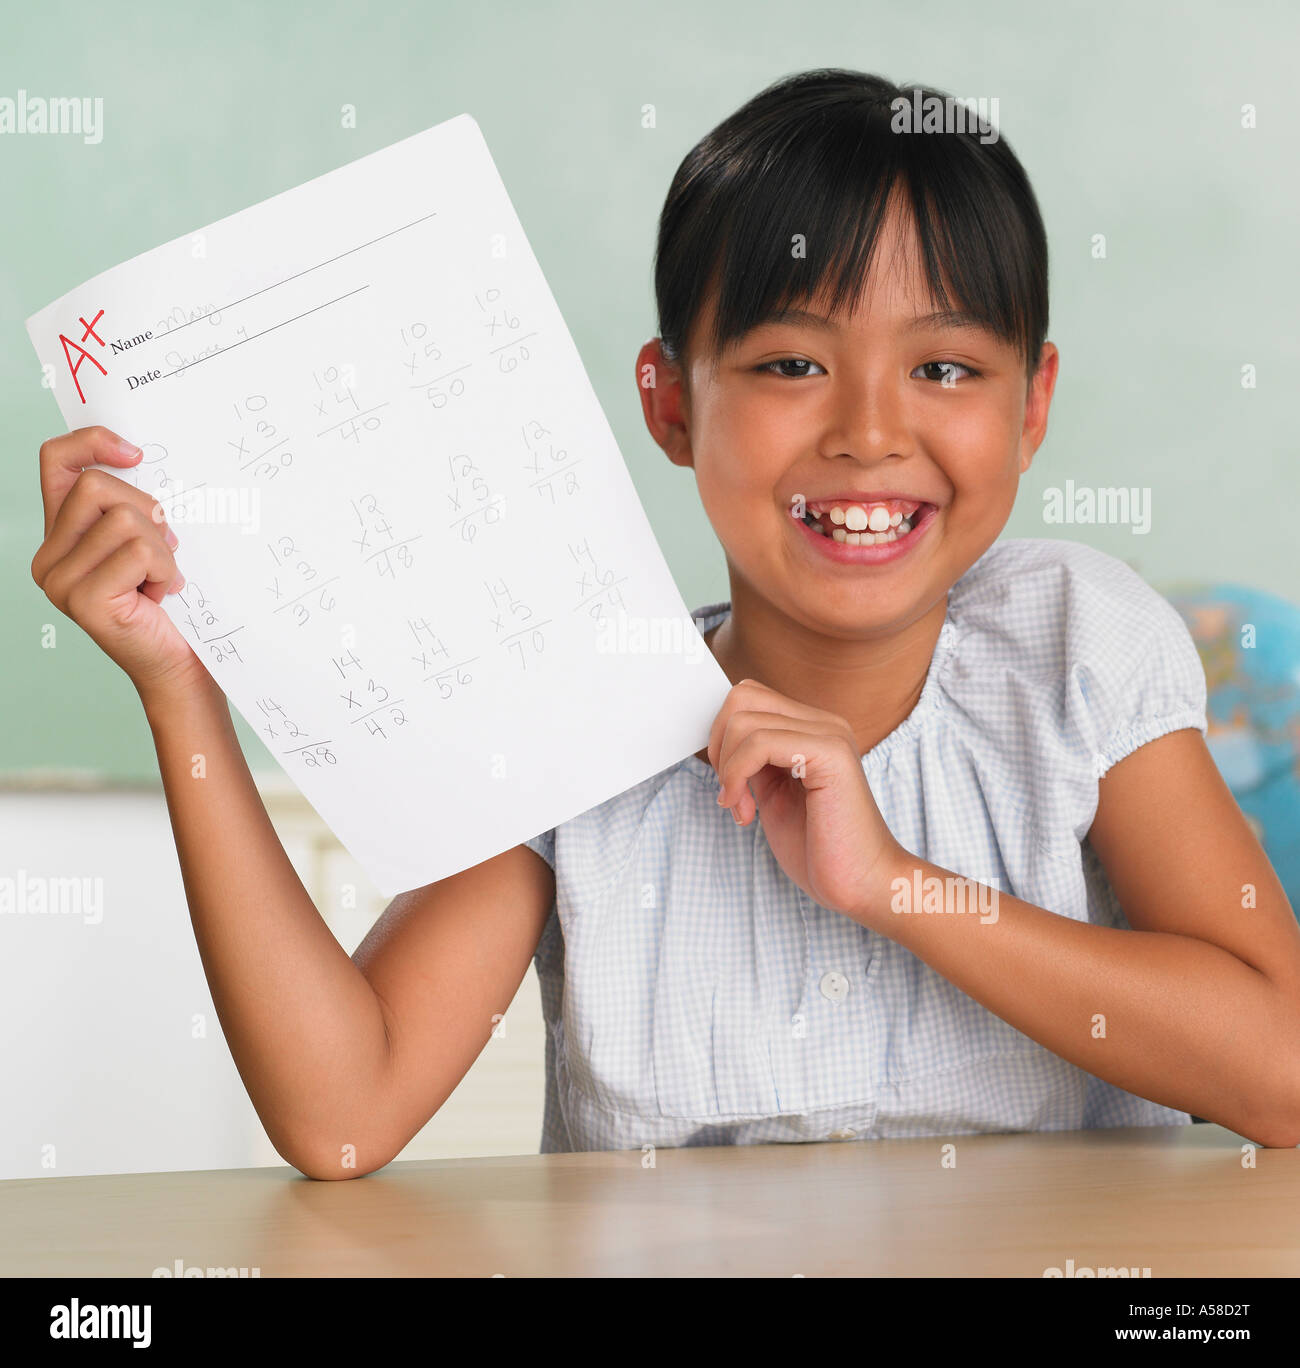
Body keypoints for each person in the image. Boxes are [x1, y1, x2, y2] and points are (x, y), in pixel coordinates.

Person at [30, 69, 1300, 1177]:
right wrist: (178, 683)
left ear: (1032, 408)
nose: (868, 432)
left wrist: (896, 887)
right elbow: (341, 1116)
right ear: (671, 402)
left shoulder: (1076, 644)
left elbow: (1281, 1072)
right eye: (790, 365)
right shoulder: (578, 714)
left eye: (946, 367)